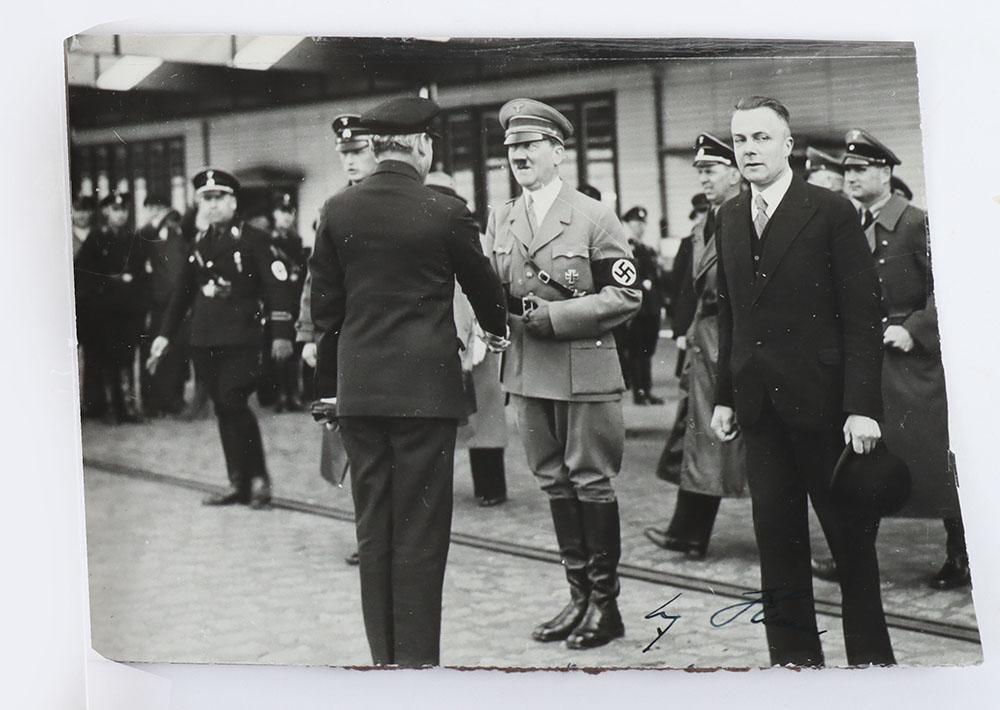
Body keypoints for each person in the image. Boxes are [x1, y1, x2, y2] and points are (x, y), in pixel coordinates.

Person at [309, 97, 508, 667]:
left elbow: (327, 313)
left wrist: (331, 390)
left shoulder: (337, 210)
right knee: (420, 532)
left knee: (374, 531)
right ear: (423, 146)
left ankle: (384, 661)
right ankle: (419, 664)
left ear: (373, 148)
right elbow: (482, 285)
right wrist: (495, 332)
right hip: (425, 397)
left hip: (361, 397)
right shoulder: (445, 211)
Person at [710, 96, 894, 667]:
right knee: (777, 544)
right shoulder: (729, 216)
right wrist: (723, 396)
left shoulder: (830, 211)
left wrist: (862, 407)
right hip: (761, 411)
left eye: (762, 138)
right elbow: (731, 313)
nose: (749, 150)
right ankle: (795, 666)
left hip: (825, 410)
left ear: (787, 146)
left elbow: (862, 317)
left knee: (851, 547)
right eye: (741, 141)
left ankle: (872, 668)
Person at [485, 98, 641, 650]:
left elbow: (626, 295)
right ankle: (578, 598)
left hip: (583, 367)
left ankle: (606, 604)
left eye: (530, 145)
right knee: (552, 479)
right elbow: (495, 287)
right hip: (527, 371)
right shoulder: (502, 216)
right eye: (511, 148)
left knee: (590, 479)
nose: (519, 156)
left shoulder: (594, 215)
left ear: (557, 150)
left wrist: (553, 316)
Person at [840, 129, 967, 590]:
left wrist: (916, 330)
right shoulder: (852, 226)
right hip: (868, 362)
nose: (850, 177)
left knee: (935, 462)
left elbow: (951, 287)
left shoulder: (917, 223)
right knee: (862, 457)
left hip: (914, 365)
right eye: (846, 170)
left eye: (859, 169)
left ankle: (963, 556)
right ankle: (853, 555)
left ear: (886, 172)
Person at [148, 169, 296, 509]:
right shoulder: (199, 243)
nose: (211, 206)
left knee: (232, 401)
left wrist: (282, 334)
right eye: (206, 200)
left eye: (218, 199)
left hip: (243, 338)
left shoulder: (253, 239)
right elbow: (181, 295)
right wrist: (164, 336)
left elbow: (277, 287)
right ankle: (237, 481)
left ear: (233, 201)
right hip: (205, 339)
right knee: (224, 409)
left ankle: (258, 478)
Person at [646, 133, 748, 560]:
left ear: (736, 172)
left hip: (731, 339)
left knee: (717, 440)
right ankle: (687, 532)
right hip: (706, 343)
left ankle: (688, 533)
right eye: (701, 171)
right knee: (701, 439)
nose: (704, 178)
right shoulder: (707, 221)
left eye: (712, 170)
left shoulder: (744, 217)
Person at [297, 113, 379, 566]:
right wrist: (309, 332)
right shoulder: (332, 208)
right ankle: (369, 537)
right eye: (344, 154)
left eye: (358, 151)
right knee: (354, 443)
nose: (350, 161)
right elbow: (317, 280)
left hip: (386, 344)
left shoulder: (395, 203)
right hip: (345, 345)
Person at [426, 170, 510, 507]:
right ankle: (434, 489)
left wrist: (483, 330)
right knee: (436, 421)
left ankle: (491, 486)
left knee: (484, 416)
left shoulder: (474, 236)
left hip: (476, 336)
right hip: (437, 337)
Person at [74, 192, 147, 424]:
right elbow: (84, 272)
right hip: (104, 312)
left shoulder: (132, 238)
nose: (120, 215)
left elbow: (141, 274)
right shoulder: (96, 238)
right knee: (108, 360)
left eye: (124, 210)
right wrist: (108, 283)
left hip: (128, 312)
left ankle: (129, 407)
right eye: (115, 210)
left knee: (127, 359)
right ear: (106, 212)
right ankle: (112, 409)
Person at [137, 195, 188, 417]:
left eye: (161, 209)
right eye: (152, 208)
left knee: (176, 355)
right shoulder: (145, 235)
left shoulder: (180, 237)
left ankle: (174, 399)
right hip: (155, 305)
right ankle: (152, 402)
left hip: (177, 306)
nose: (158, 213)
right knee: (154, 352)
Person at [259, 191, 307, 413]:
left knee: (296, 349)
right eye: (282, 212)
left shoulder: (296, 241)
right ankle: (278, 394)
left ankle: (294, 394)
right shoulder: (268, 242)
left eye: (290, 212)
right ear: (273, 215)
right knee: (277, 348)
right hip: (276, 302)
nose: (287, 217)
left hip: (296, 300)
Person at [621, 206, 665, 405]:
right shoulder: (625, 248)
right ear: (627, 225)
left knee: (647, 349)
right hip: (637, 309)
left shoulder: (646, 249)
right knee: (637, 350)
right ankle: (639, 391)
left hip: (651, 308)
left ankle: (646, 390)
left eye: (642, 223)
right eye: (636, 223)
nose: (641, 227)